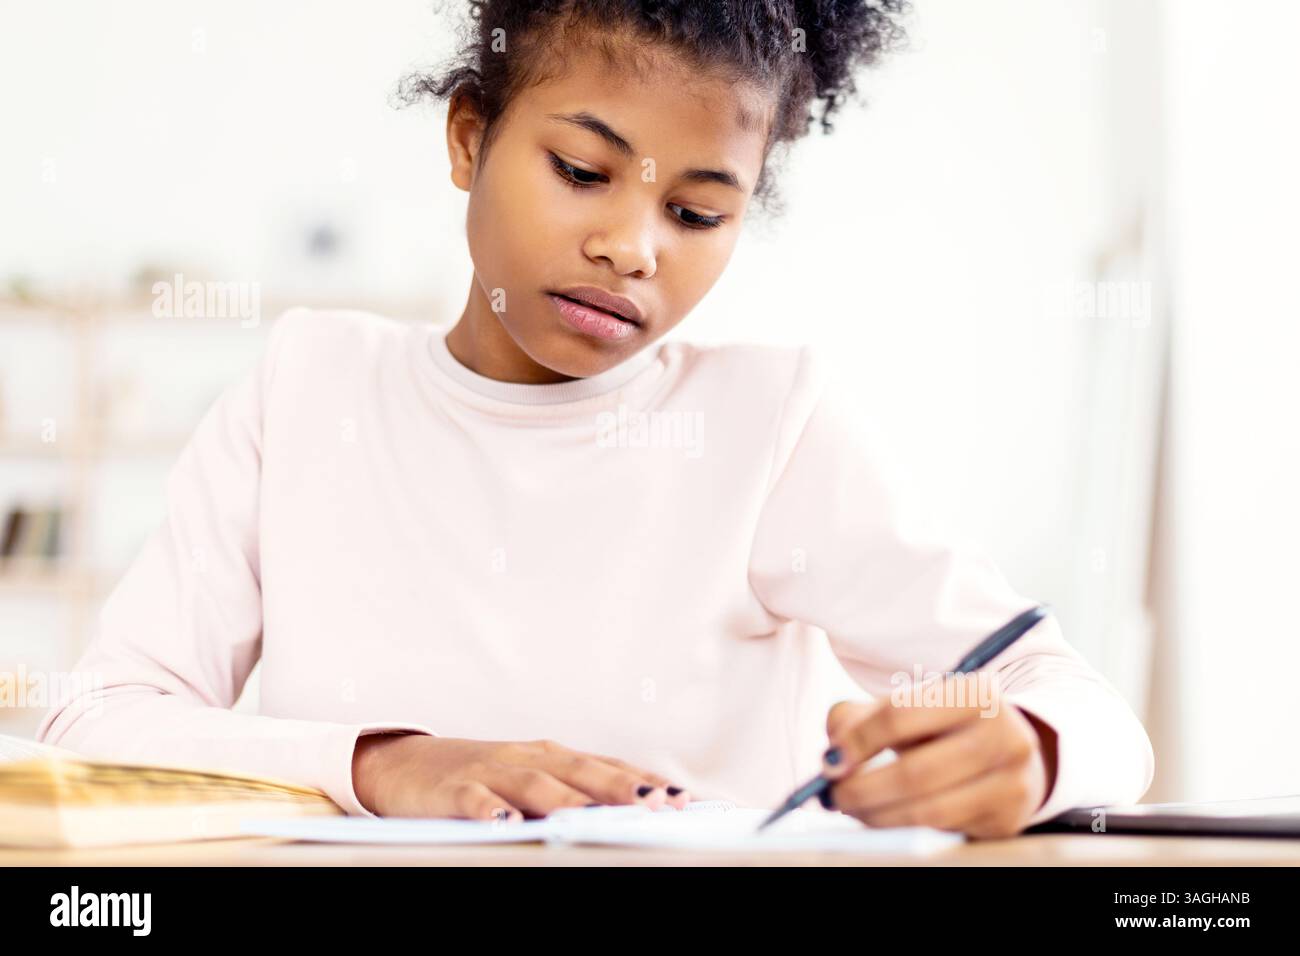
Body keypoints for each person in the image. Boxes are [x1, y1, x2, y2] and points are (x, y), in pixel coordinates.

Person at [38, 0, 1153, 839]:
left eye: (697, 210)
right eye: (581, 169)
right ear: (468, 139)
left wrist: (1032, 750)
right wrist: (379, 764)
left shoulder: (767, 423)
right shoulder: (305, 388)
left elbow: (1085, 705)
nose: (634, 247)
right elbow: (92, 716)